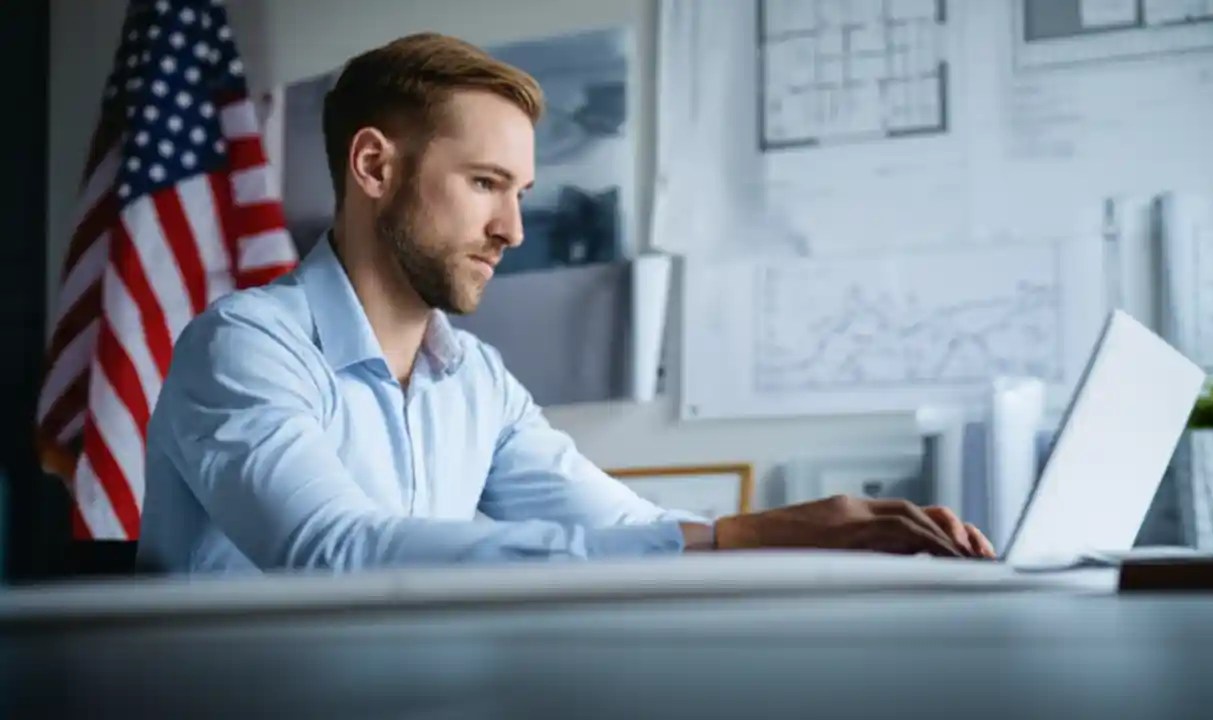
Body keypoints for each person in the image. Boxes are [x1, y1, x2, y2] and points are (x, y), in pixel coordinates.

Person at [136, 32, 995, 574]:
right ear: (373, 167)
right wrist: (742, 539)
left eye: (521, 192)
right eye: (484, 184)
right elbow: (336, 552)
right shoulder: (243, 346)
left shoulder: (477, 382)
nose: (512, 227)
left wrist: (796, 534)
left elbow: (630, 530)